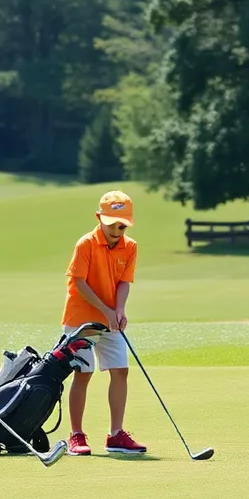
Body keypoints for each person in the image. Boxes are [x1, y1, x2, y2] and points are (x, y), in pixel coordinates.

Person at [62, 191, 146, 456]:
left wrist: (119, 310)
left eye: (122, 224)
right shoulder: (85, 244)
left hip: (111, 317)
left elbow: (124, 282)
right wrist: (106, 310)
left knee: (120, 370)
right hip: (81, 319)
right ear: (99, 218)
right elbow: (79, 282)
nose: (116, 229)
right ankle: (76, 435)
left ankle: (116, 435)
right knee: (83, 373)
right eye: (111, 223)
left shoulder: (130, 247)